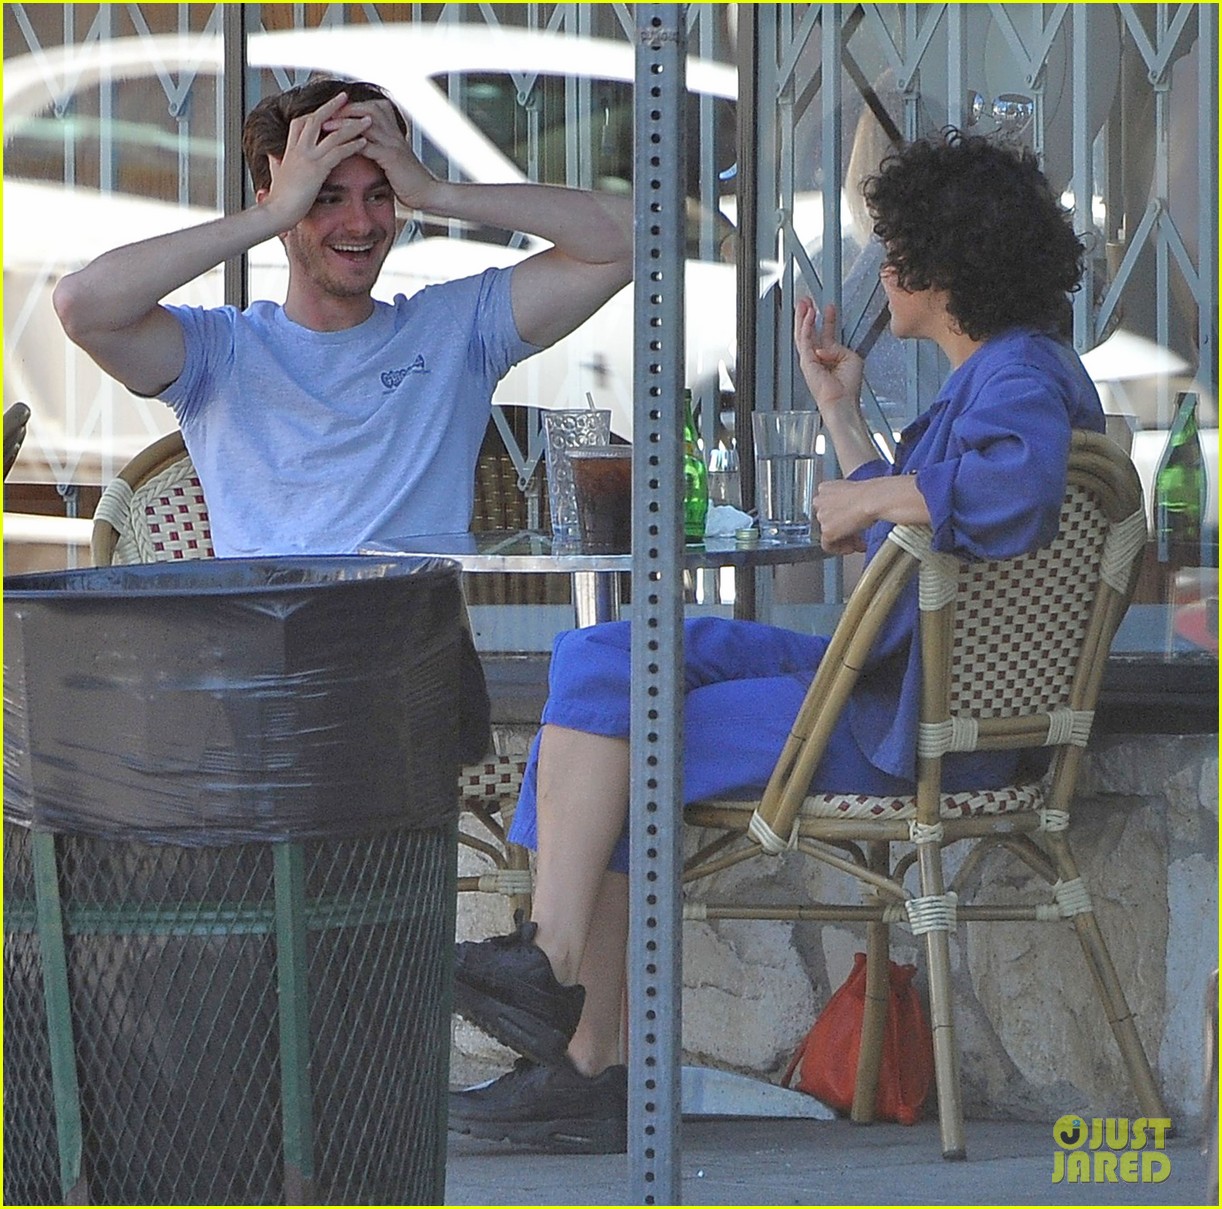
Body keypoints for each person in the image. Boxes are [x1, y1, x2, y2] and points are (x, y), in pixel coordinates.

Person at [448, 128, 1107, 1154]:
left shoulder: (1019, 374)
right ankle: (556, 996)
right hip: (891, 679)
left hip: (905, 722)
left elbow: (1010, 491)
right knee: (605, 659)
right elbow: (919, 551)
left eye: (894, 249)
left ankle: (571, 1037)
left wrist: (869, 494)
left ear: (942, 267)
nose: (880, 269)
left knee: (617, 737)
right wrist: (841, 410)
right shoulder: (1011, 371)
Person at [52, 78, 634, 558]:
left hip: (407, 646)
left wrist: (434, 192)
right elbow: (83, 306)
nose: (360, 224)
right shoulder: (219, 351)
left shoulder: (457, 328)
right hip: (267, 648)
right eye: (327, 198)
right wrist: (276, 212)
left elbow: (635, 238)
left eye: (378, 195)